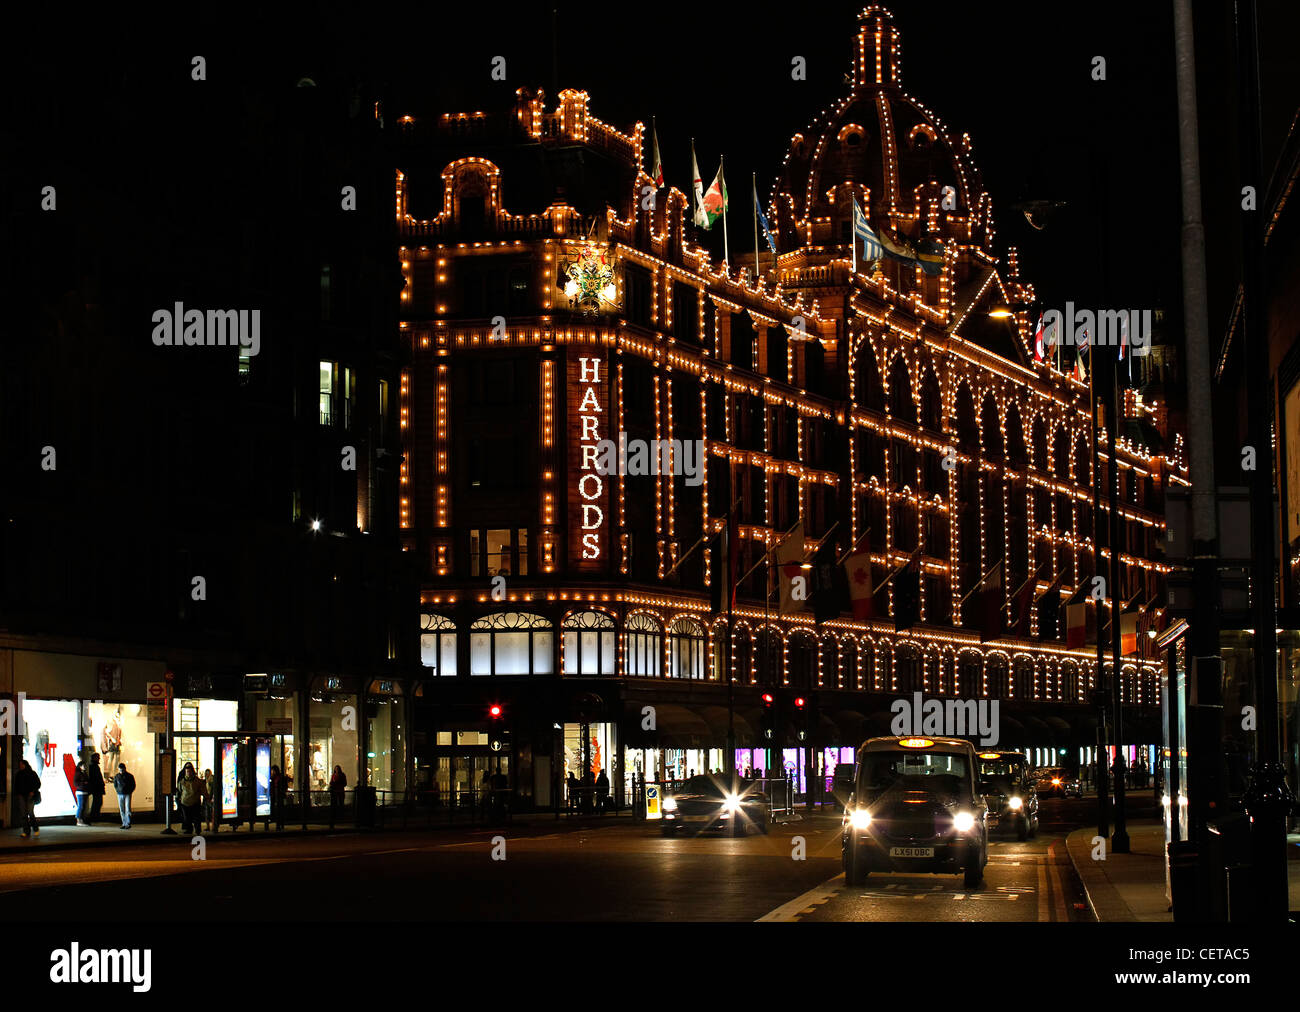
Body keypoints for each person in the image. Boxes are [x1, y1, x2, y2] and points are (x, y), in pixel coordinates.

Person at [176, 762, 206, 835]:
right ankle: (189, 829)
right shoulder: (182, 781)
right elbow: (179, 791)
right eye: (187, 771)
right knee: (187, 818)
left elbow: (203, 790)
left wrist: (207, 797)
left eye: (189, 771)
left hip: (195, 802)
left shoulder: (197, 781)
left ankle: (197, 829)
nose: (188, 773)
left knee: (196, 817)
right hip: (185, 802)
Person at [14, 759, 41, 838]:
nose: (20, 766)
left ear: (25, 765)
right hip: (22, 795)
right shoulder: (19, 774)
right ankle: (26, 831)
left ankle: (35, 828)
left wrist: (33, 791)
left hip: (30, 795)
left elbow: (38, 784)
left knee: (30, 812)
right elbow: (16, 785)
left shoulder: (32, 773)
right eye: (20, 764)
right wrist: (18, 793)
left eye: (22, 764)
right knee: (23, 814)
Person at [113, 763, 136, 829]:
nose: (121, 771)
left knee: (123, 809)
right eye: (120, 770)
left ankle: (125, 823)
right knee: (126, 808)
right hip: (126, 793)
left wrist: (117, 790)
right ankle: (126, 823)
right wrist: (130, 791)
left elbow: (115, 785)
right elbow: (133, 785)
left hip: (121, 793)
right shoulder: (130, 776)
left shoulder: (117, 776)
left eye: (121, 770)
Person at [88, 753, 106, 825]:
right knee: (97, 802)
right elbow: (96, 778)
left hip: (97, 788)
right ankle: (94, 817)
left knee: (97, 802)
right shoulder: (94, 767)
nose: (99, 759)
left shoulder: (94, 766)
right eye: (98, 757)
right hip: (97, 788)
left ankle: (94, 817)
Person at [74, 760, 91, 826]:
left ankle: (81, 819)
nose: (85, 767)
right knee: (81, 806)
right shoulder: (78, 774)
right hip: (80, 792)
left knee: (83, 806)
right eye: (83, 766)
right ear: (80, 766)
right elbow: (75, 783)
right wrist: (83, 783)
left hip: (85, 791)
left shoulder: (84, 773)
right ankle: (79, 820)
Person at [269, 764, 287, 830]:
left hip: (279, 795)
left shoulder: (280, 777)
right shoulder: (273, 778)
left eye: (272, 771)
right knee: (277, 810)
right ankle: (279, 824)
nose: (272, 772)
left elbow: (284, 786)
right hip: (275, 795)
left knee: (279, 810)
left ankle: (280, 824)